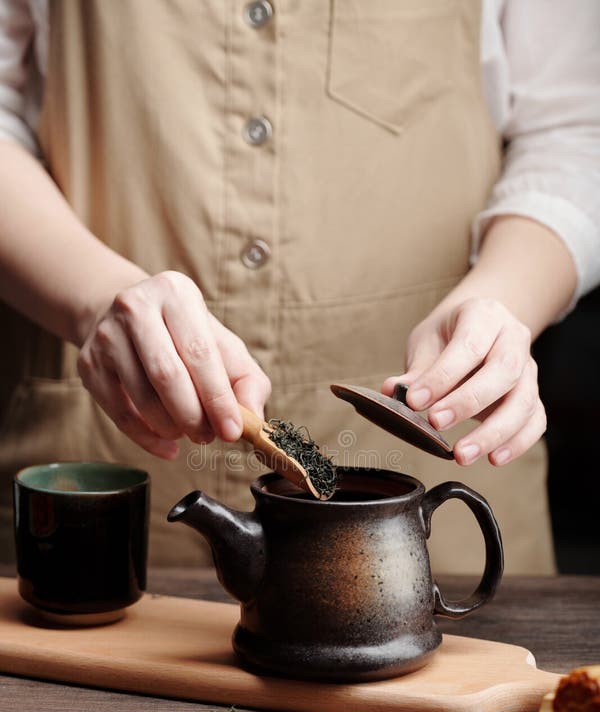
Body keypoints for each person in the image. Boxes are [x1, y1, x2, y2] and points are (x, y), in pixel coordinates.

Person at [0, 0, 598, 572]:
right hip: (99, 507)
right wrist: (94, 294)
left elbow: (576, 127)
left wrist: (502, 295)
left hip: (451, 531)